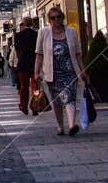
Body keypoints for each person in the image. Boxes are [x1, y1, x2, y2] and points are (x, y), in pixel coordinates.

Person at [35, 7, 88, 137]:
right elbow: (39, 54)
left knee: (70, 97)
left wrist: (83, 70)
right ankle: (60, 126)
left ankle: (71, 125)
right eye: (53, 18)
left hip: (69, 71)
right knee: (56, 101)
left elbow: (77, 54)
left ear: (63, 17)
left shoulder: (71, 32)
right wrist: (36, 72)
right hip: (52, 73)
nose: (56, 20)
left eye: (59, 17)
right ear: (49, 20)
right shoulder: (43, 33)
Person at [13, 17, 38, 113]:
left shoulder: (18, 35)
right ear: (31, 24)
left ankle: (24, 106)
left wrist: (20, 59)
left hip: (23, 64)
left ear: (23, 24)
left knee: (24, 86)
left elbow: (17, 51)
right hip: (34, 63)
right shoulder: (36, 34)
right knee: (35, 87)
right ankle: (35, 106)